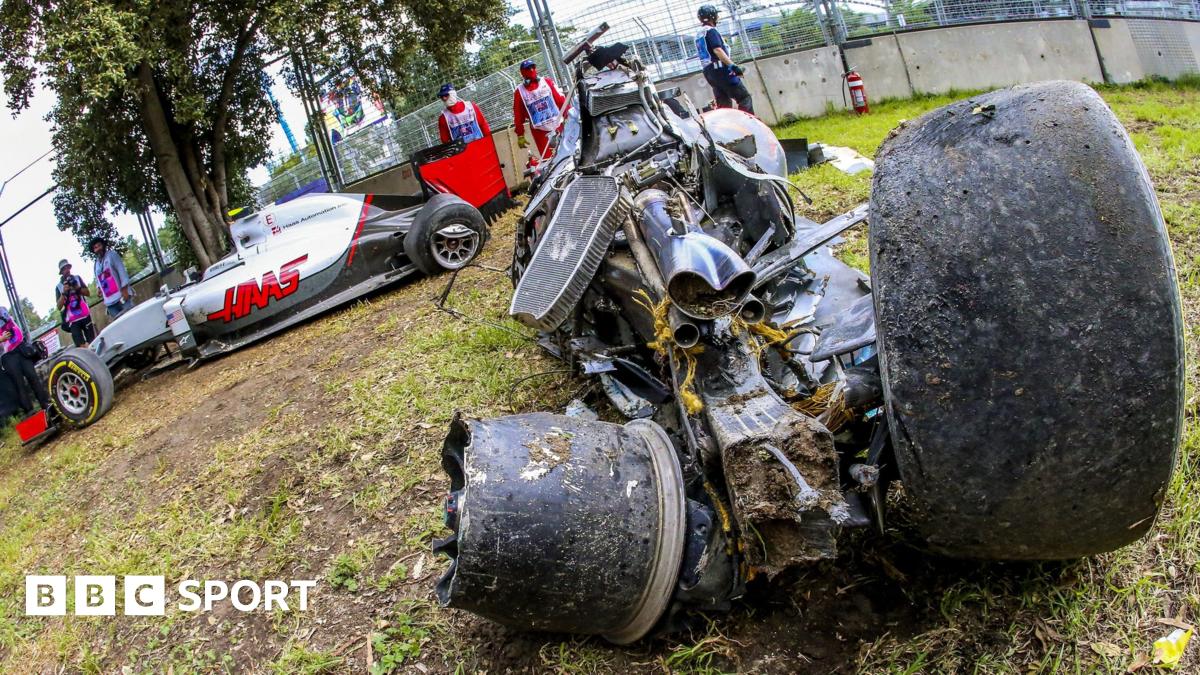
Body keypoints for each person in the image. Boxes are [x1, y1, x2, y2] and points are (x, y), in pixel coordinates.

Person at [696, 4, 754, 114]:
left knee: (724, 105)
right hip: (721, 70)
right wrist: (733, 66)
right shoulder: (711, 31)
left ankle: (727, 125)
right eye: (716, 14)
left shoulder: (699, 34)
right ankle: (747, 123)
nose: (718, 17)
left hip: (709, 73)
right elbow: (717, 50)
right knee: (744, 98)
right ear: (712, 16)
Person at [513, 60, 567, 161]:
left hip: (558, 124)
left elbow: (560, 100)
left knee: (568, 152)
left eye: (533, 67)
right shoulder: (519, 92)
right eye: (528, 69)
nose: (531, 70)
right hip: (540, 131)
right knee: (550, 160)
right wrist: (520, 134)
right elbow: (518, 114)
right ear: (522, 73)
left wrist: (569, 115)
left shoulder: (547, 82)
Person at [0, 306, 49, 415]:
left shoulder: (2, 310)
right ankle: (30, 411)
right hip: (8, 355)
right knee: (19, 384)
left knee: (33, 376)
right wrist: (1, 339)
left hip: (21, 348)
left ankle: (45, 404)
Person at [55, 259, 95, 347]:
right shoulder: (59, 287)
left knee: (93, 341)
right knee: (81, 346)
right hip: (73, 321)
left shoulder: (77, 278)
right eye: (64, 269)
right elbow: (59, 307)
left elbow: (88, 293)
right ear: (61, 272)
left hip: (85, 315)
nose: (67, 270)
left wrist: (78, 288)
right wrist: (63, 293)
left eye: (68, 267)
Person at [91, 237, 132, 318]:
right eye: (95, 248)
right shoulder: (96, 264)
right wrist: (98, 288)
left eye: (99, 245)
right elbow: (97, 278)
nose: (98, 249)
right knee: (120, 324)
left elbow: (122, 271)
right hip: (109, 302)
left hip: (121, 296)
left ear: (103, 245)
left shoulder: (111, 255)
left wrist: (125, 289)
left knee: (131, 318)